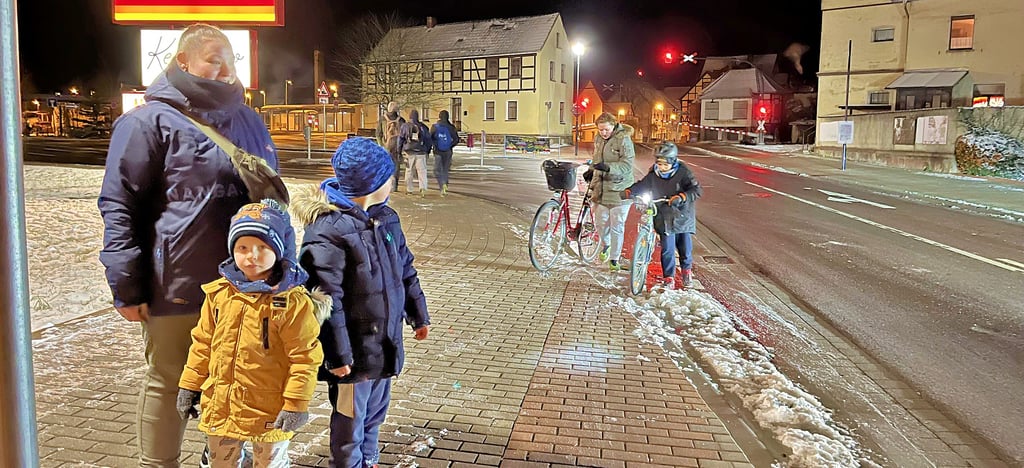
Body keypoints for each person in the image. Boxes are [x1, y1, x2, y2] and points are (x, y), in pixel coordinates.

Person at [97, 23, 278, 467]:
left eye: (230, 60)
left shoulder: (249, 120)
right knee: (171, 380)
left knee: (239, 377)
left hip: (245, 281)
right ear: (183, 61)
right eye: (213, 58)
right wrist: (127, 284)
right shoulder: (146, 122)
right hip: (177, 283)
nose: (224, 68)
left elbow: (268, 198)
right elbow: (120, 205)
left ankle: (219, 458)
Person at [292, 137, 430, 468]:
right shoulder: (327, 231)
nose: (392, 183)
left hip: (383, 344)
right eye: (389, 177)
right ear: (371, 185)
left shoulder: (386, 219)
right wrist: (338, 356)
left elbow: (405, 270)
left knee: (375, 414)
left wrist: (418, 314)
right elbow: (325, 301)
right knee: (350, 423)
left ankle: (368, 460)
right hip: (352, 356)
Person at [176, 200, 330, 467]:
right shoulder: (219, 294)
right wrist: (189, 384)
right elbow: (202, 344)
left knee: (268, 463)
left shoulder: (290, 303)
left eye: (263, 247)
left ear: (278, 251)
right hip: (223, 402)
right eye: (242, 247)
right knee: (221, 462)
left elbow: (305, 357)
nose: (252, 255)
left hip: (271, 406)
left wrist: (295, 403)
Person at [621, 142, 703, 289]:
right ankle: (669, 277)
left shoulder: (683, 172)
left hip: (681, 215)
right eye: (659, 163)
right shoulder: (654, 174)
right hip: (663, 215)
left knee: (684, 246)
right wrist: (630, 191)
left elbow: (696, 190)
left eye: (666, 164)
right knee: (667, 248)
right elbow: (644, 184)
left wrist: (682, 197)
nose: (662, 167)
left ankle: (686, 271)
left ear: (673, 161)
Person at [588, 112, 636, 271]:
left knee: (617, 226)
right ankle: (606, 244)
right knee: (600, 222)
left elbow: (627, 165)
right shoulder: (599, 139)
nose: (603, 133)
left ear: (614, 125)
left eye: (606, 129)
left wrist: (609, 168)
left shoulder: (623, 139)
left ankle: (614, 259)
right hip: (601, 189)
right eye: (600, 130)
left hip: (619, 189)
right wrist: (591, 170)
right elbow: (596, 159)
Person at [397, 109, 433, 196]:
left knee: (409, 171)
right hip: (421, 152)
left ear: (409, 116)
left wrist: (399, 150)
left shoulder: (405, 126)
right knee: (422, 171)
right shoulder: (423, 127)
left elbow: (400, 139)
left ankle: (409, 189)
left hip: (409, 152)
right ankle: (422, 188)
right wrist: (427, 150)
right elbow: (428, 140)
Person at [430, 110, 461, 196]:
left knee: (436, 170)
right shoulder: (451, 127)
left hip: (437, 151)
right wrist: (450, 146)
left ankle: (441, 185)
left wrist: (434, 145)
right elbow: (456, 139)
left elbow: (430, 138)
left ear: (439, 116)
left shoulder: (435, 127)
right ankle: (445, 184)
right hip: (448, 151)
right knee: (445, 169)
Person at [382, 101, 403, 191]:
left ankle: (387, 185)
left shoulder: (383, 119)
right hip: (398, 146)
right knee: (396, 166)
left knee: (387, 166)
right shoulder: (400, 120)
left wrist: (382, 144)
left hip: (387, 146)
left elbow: (378, 134)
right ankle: (395, 185)